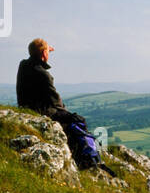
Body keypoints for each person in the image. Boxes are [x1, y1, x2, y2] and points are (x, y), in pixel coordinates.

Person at [16, 38, 110, 172]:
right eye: (48, 51)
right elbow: (56, 102)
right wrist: (68, 115)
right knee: (78, 121)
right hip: (41, 111)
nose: (49, 54)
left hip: (25, 107)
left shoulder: (23, 65)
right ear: (43, 54)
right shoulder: (44, 75)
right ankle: (83, 160)